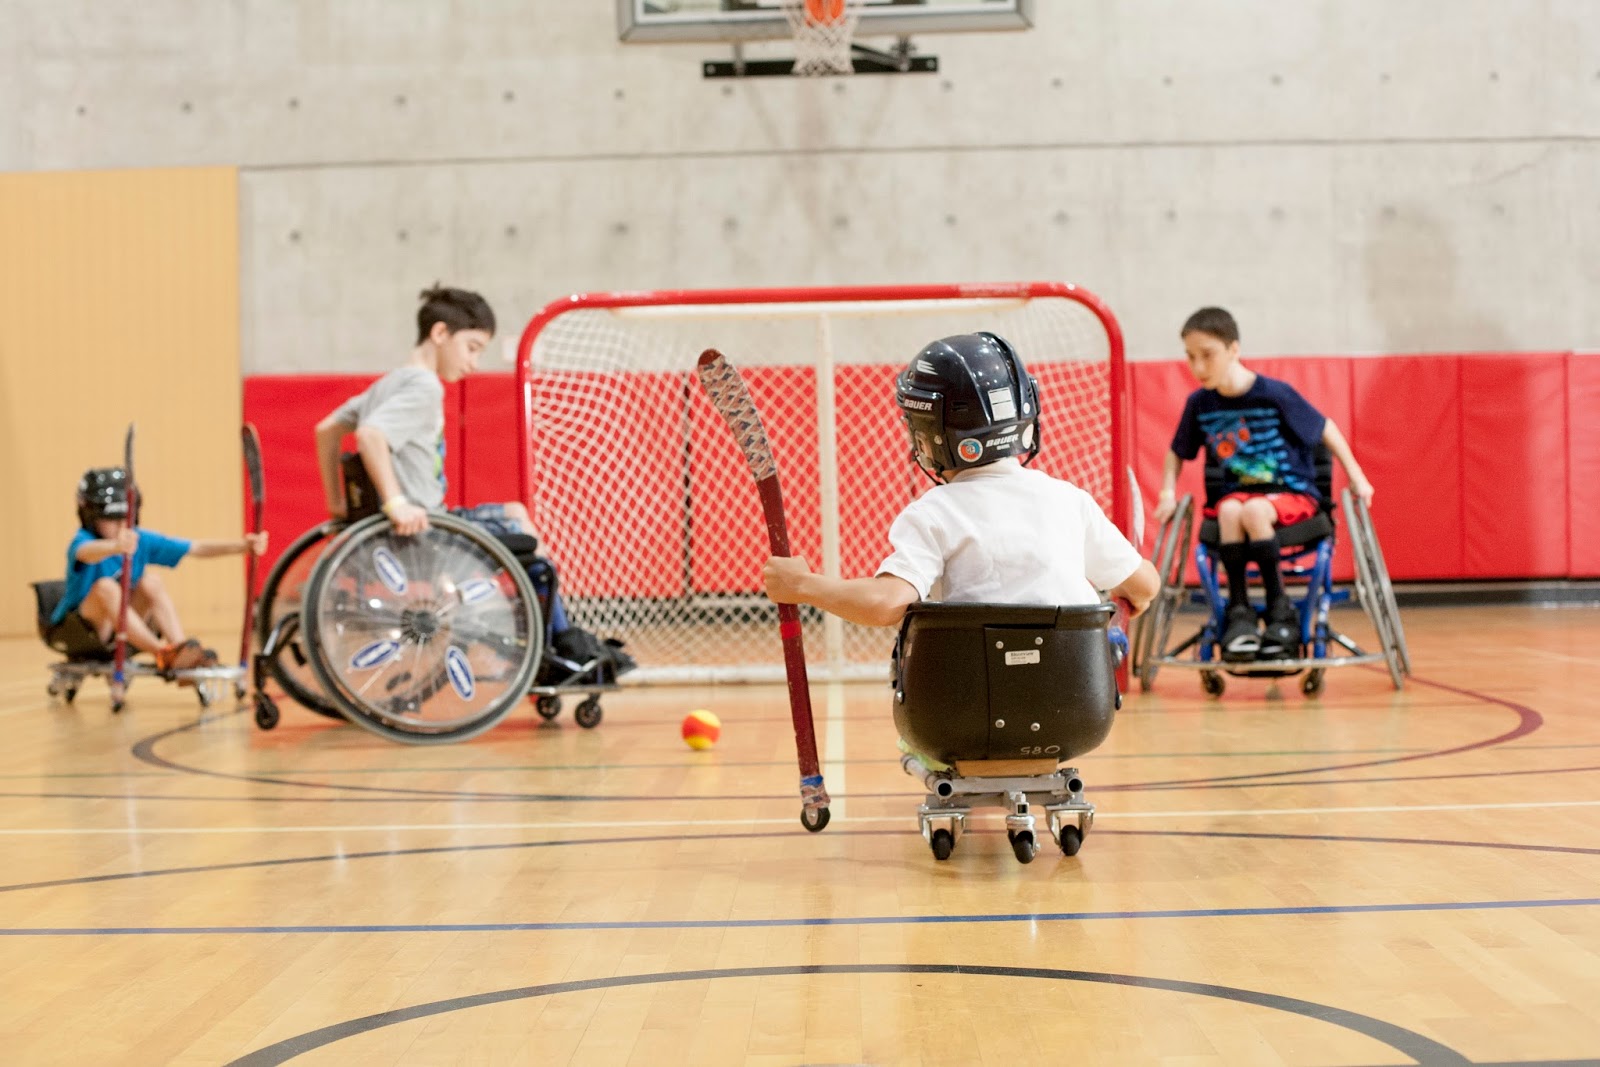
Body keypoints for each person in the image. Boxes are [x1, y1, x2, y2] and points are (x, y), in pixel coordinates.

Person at [314, 285, 630, 677]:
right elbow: (369, 436)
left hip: (420, 527)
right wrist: (396, 504)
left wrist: (337, 505)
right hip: (425, 534)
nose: (475, 363)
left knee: (513, 511)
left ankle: (555, 644)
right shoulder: (424, 386)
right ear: (441, 334)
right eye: (473, 347)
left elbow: (326, 430)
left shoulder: (389, 383)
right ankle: (561, 648)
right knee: (531, 548)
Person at [762, 330, 1159, 636]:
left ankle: (916, 748)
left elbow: (885, 604)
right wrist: (1136, 592)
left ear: (926, 433)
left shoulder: (933, 512)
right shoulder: (1069, 500)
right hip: (1078, 714)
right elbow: (1145, 585)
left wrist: (803, 585)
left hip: (966, 715)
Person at [1152, 306, 1374, 662]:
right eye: (1191, 357)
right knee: (1228, 509)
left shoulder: (1274, 394)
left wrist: (1357, 477)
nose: (1197, 367)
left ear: (1234, 349)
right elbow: (1176, 452)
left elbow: (1326, 429)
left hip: (1291, 495)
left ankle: (1279, 609)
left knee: (1252, 509)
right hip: (1237, 499)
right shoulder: (1200, 404)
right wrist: (1166, 491)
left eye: (1207, 355)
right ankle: (1238, 614)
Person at [47, 467, 268, 677]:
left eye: (126, 518)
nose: (121, 526)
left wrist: (242, 546)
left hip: (124, 630)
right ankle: (161, 653)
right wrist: (115, 547)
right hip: (81, 630)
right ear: (91, 517)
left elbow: (196, 547)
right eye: (111, 520)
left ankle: (180, 650)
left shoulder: (139, 538)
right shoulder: (84, 541)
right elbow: (85, 553)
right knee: (106, 587)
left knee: (150, 580)